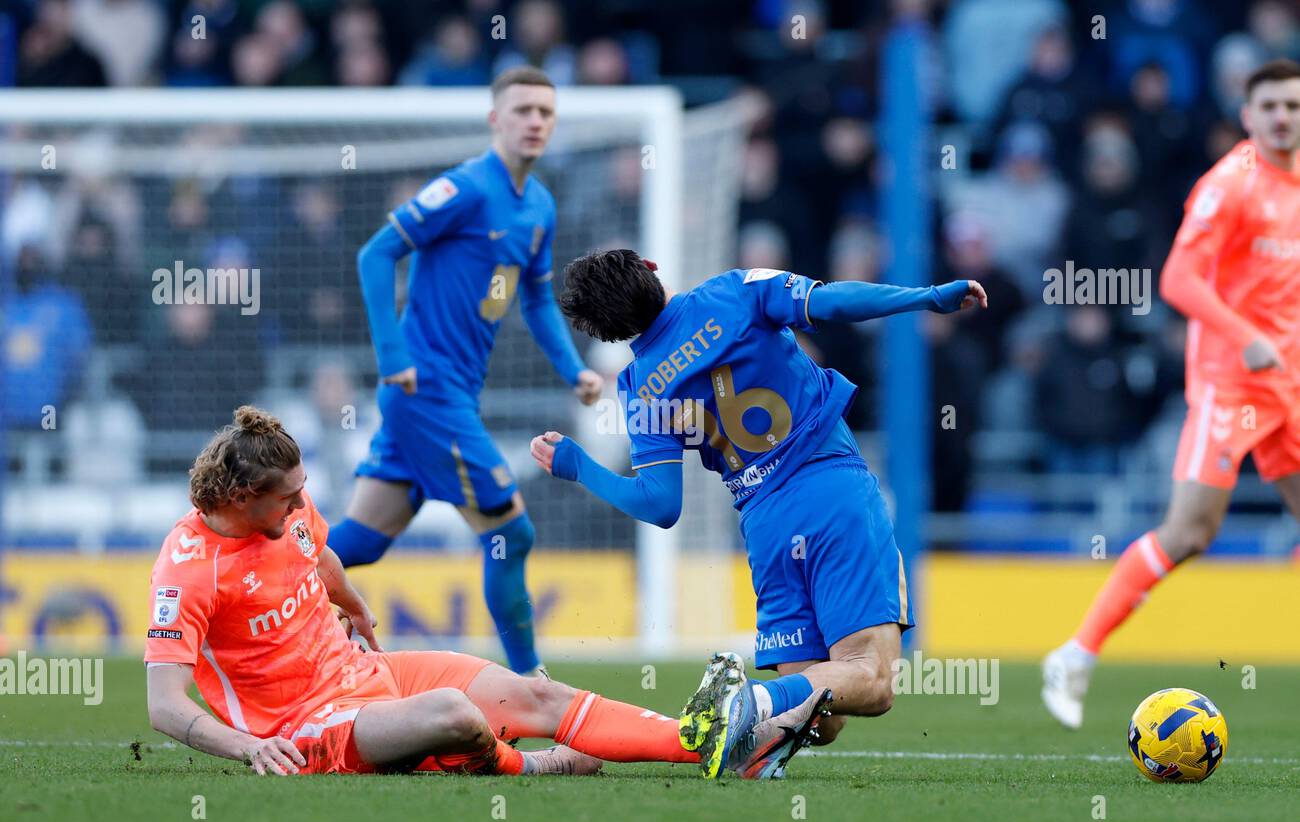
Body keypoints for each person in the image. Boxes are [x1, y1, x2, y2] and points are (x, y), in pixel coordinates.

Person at [145, 407, 826, 779]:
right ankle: (534, 770)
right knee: (451, 712)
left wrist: (354, 607)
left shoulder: (289, 512)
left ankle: (722, 743)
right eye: (288, 496)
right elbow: (164, 706)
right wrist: (248, 749)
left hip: (365, 674)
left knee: (536, 690)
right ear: (241, 497)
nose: (303, 504)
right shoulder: (188, 568)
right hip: (304, 729)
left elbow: (317, 555)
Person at [529, 251, 984, 778]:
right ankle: (749, 701)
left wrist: (578, 466)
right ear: (652, 268)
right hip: (829, 489)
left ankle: (734, 744)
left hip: (766, 525)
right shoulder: (734, 292)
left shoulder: (641, 386)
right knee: (872, 680)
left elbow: (660, 505)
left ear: (606, 333)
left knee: (822, 715)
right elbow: (830, 299)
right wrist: (926, 297)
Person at [1042, 59, 1300, 728]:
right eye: (1270, 106)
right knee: (1191, 531)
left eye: (1294, 106)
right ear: (1247, 116)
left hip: (1290, 381)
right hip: (1231, 378)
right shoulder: (1230, 184)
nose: (1282, 117)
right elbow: (1179, 282)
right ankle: (1075, 653)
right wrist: (1244, 335)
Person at [330, 66, 603, 676]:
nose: (535, 121)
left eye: (546, 112)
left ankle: (249, 598)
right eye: (523, 110)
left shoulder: (538, 205)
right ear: (495, 119)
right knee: (514, 532)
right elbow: (376, 253)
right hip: (424, 389)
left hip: (448, 395)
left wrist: (573, 370)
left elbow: (533, 299)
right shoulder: (467, 189)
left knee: (363, 541)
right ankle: (531, 682)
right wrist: (392, 357)